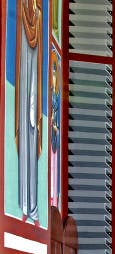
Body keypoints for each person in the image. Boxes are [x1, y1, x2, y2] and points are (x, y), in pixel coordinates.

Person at [16, 0, 43, 222]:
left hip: (33, 93)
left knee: (31, 145)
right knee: (25, 145)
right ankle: (24, 206)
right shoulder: (20, 10)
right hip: (25, 94)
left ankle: (32, 207)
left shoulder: (40, 15)